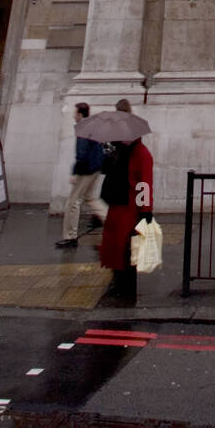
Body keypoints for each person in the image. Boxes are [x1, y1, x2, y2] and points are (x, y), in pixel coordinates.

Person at [98, 102, 153, 302]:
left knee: (126, 250)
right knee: (113, 248)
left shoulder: (141, 154)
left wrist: (145, 211)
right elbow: (107, 172)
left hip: (130, 208)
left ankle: (127, 289)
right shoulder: (119, 151)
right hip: (116, 204)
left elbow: (144, 184)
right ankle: (117, 283)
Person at [56, 103, 107, 249]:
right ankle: (113, 223)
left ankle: (70, 237)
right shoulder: (93, 125)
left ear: (80, 114)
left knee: (73, 202)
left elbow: (82, 153)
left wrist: (75, 172)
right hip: (96, 167)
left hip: (86, 170)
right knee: (91, 198)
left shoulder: (82, 127)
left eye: (75, 113)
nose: (73, 115)